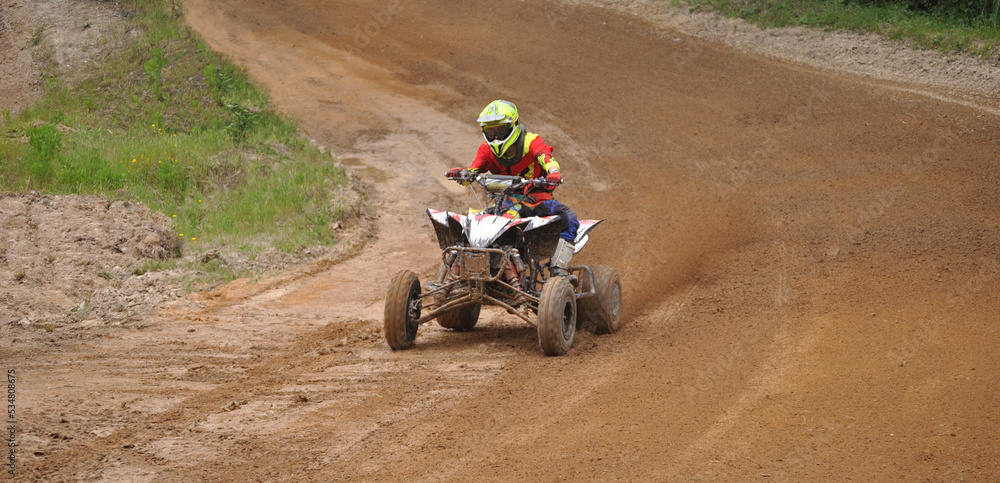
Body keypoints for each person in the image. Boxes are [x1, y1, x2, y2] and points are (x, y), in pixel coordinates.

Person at [447, 99, 579, 276]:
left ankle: (558, 269)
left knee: (568, 218)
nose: (495, 136)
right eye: (490, 130)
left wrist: (553, 173)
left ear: (514, 126)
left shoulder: (531, 141)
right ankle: (458, 271)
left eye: (501, 130)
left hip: (537, 201)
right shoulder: (486, 150)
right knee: (472, 227)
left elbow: (546, 158)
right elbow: (472, 171)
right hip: (506, 203)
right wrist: (461, 174)